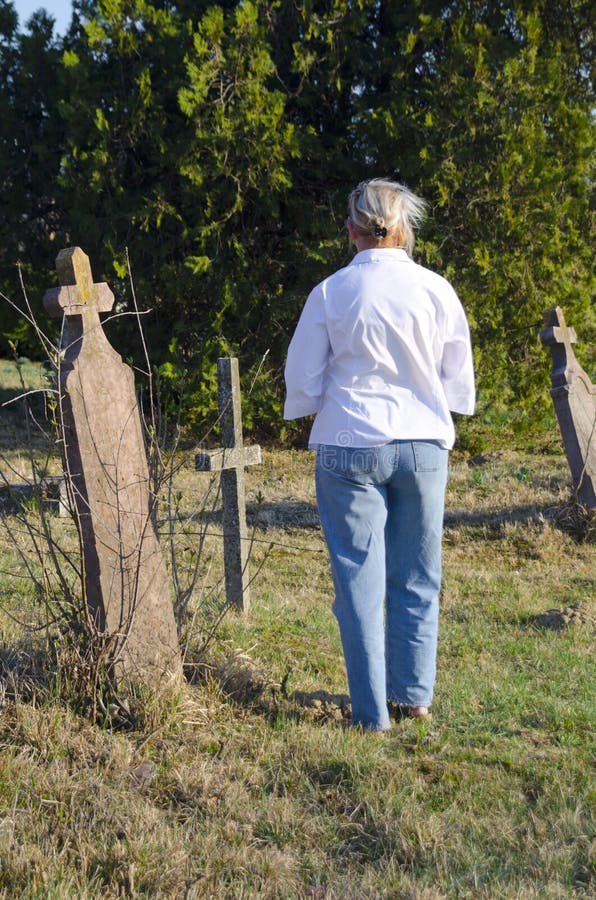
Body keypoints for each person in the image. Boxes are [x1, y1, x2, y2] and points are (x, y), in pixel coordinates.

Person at [283, 178, 475, 731]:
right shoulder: (437, 289)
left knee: (358, 582)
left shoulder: (330, 291)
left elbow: (303, 377)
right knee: (419, 573)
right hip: (422, 445)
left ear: (351, 231)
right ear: (405, 229)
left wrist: (321, 405)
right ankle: (414, 696)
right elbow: (457, 377)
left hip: (348, 444)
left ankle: (371, 714)